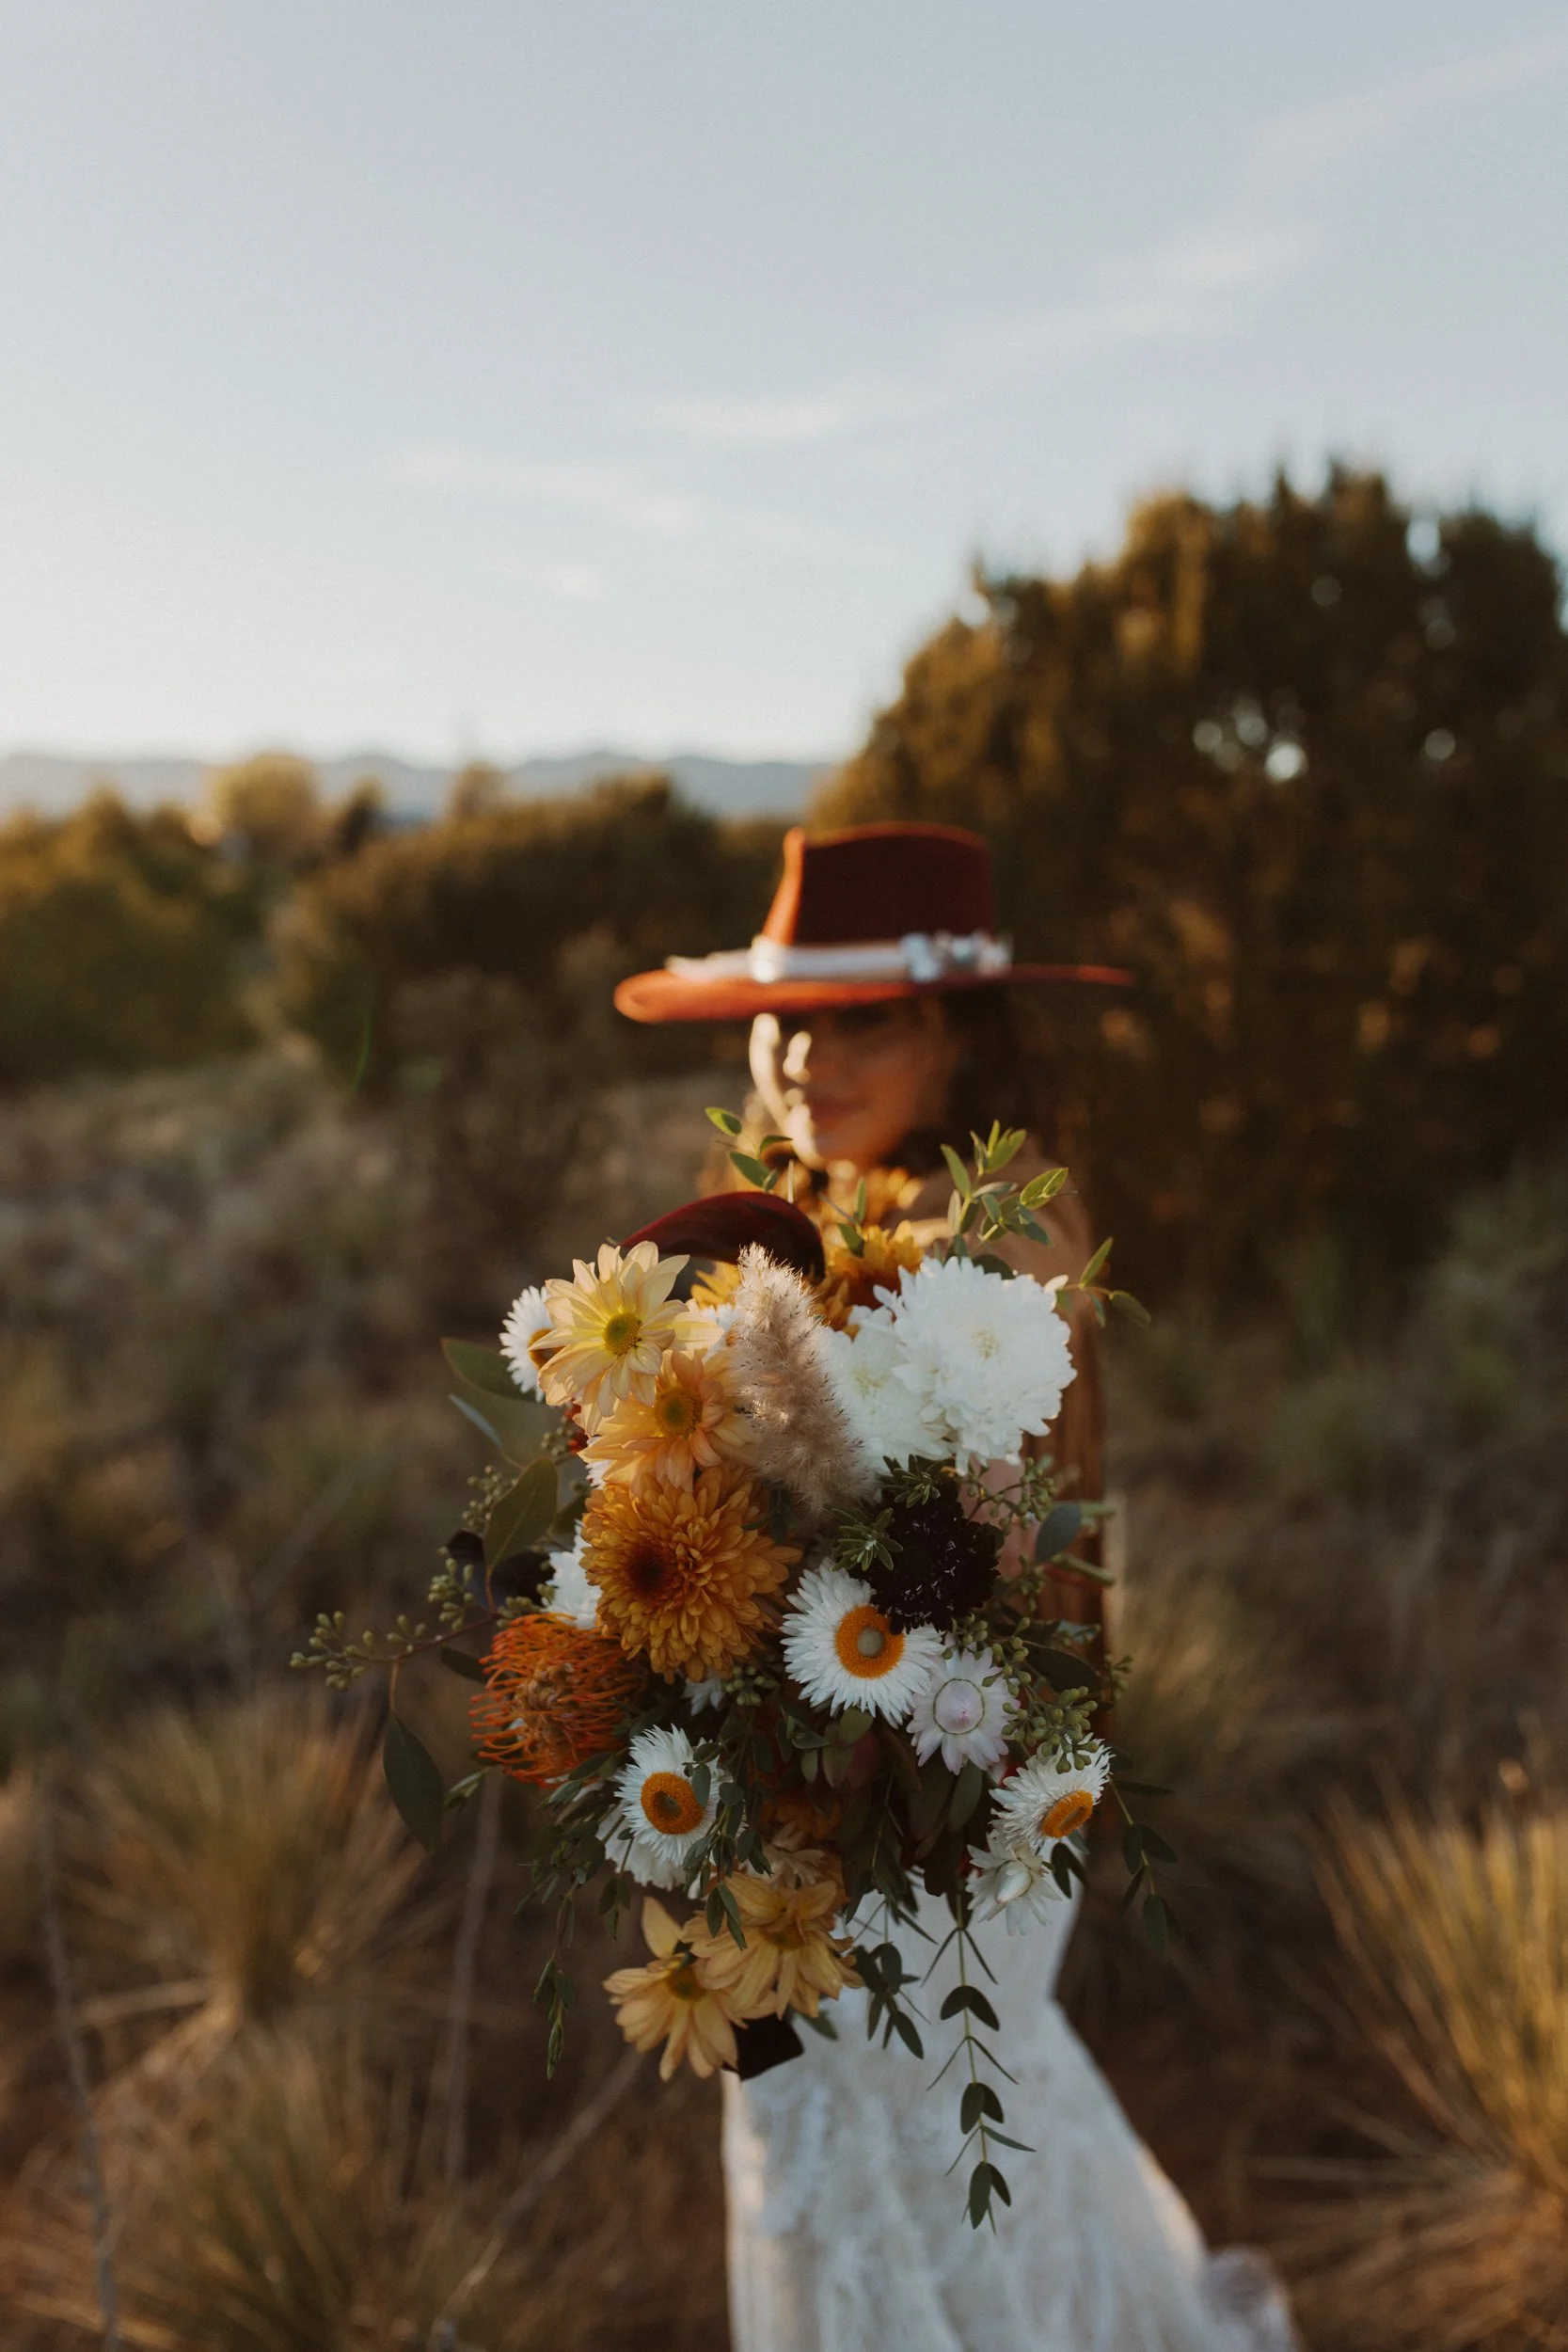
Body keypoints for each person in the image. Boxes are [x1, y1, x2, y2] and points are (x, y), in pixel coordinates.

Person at [614, 823, 1297, 2352]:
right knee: (873, 2145)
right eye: (785, 1019)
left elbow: (935, 1566)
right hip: (834, 1785)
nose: (804, 1056)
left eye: (866, 1020)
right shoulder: (808, 1228)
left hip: (932, 1794)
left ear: (959, 1035)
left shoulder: (988, 1258)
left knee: (905, 2132)